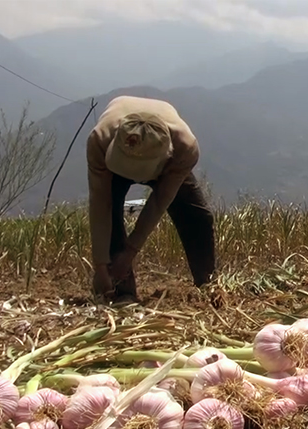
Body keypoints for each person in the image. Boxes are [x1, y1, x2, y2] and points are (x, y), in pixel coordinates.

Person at [86, 95, 216, 301]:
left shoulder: (185, 149)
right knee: (112, 224)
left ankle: (208, 284)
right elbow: (101, 204)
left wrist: (130, 252)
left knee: (197, 217)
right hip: (113, 155)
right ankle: (119, 291)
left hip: (169, 162)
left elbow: (158, 202)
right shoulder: (100, 141)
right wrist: (101, 264)